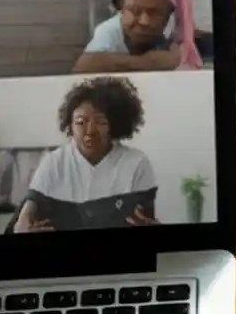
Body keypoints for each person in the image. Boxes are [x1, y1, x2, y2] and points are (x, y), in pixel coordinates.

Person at [13, 76, 160, 233]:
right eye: (80, 122)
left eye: (100, 122)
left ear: (115, 125)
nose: (90, 132)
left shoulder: (137, 163)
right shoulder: (54, 162)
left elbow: (146, 222)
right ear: (70, 124)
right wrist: (23, 230)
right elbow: (22, 223)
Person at [72, 0, 204, 74]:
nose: (144, 21)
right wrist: (151, 62)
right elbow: (83, 65)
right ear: (122, 9)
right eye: (134, 11)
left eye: (154, 13)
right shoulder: (110, 31)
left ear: (168, 16)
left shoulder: (167, 40)